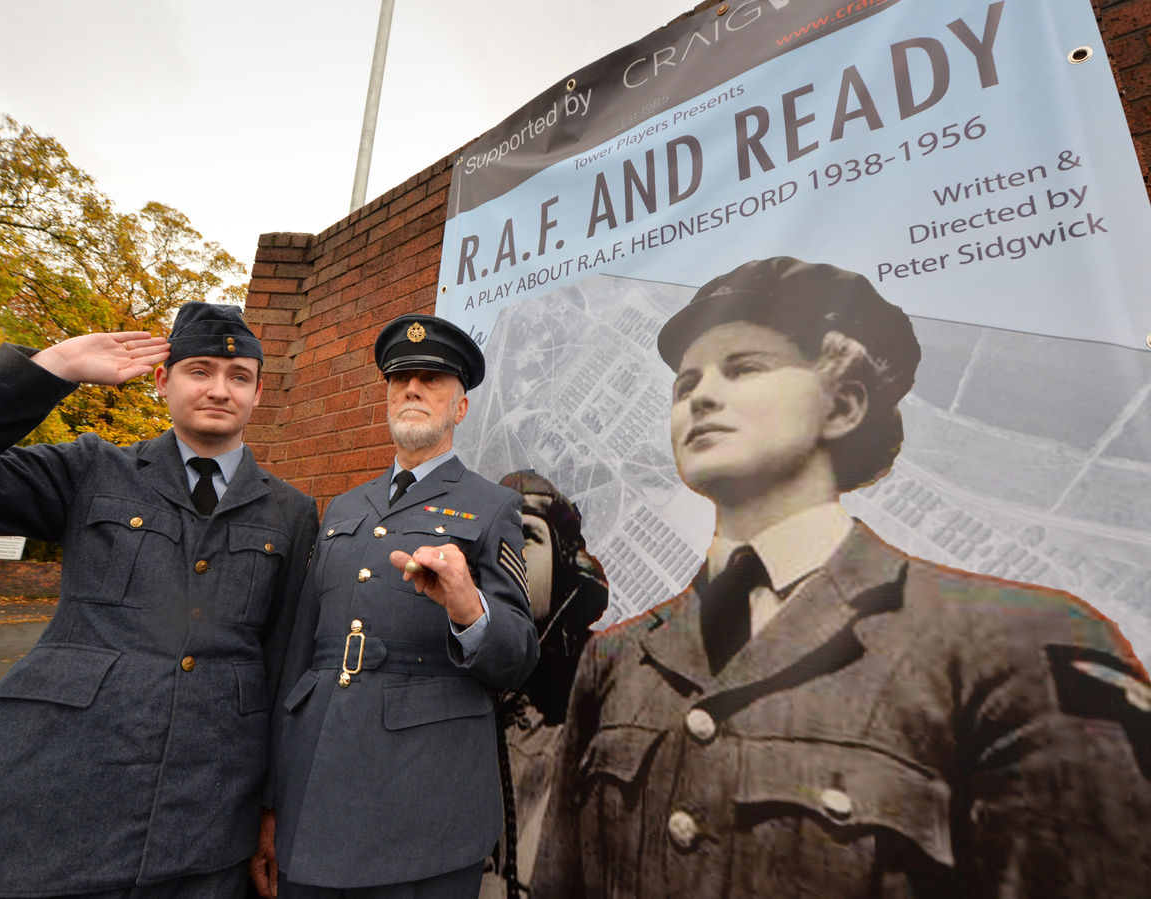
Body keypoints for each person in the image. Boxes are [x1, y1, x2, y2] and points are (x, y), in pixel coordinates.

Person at [532, 257, 1151, 898]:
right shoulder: (614, 661)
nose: (701, 396)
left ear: (846, 404)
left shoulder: (1015, 647)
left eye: (745, 368)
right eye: (686, 383)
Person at [0, 303, 319, 898]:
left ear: (257, 393)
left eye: (239, 377)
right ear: (161, 380)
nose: (220, 390)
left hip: (203, 820)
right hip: (50, 801)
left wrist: (271, 806)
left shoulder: (291, 511)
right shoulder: (92, 468)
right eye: (199, 371)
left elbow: (282, 661)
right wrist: (52, 369)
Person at [258, 314, 539, 899]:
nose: (412, 388)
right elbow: (298, 656)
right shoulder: (342, 508)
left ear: (459, 408)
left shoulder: (491, 507)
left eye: (432, 379)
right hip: (318, 784)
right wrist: (270, 797)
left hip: (423, 799)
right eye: (400, 378)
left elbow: (517, 659)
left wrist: (470, 609)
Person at [479, 470, 608, 899]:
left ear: (567, 564)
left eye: (528, 537)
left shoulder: (597, 699)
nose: (509, 557)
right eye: (497, 541)